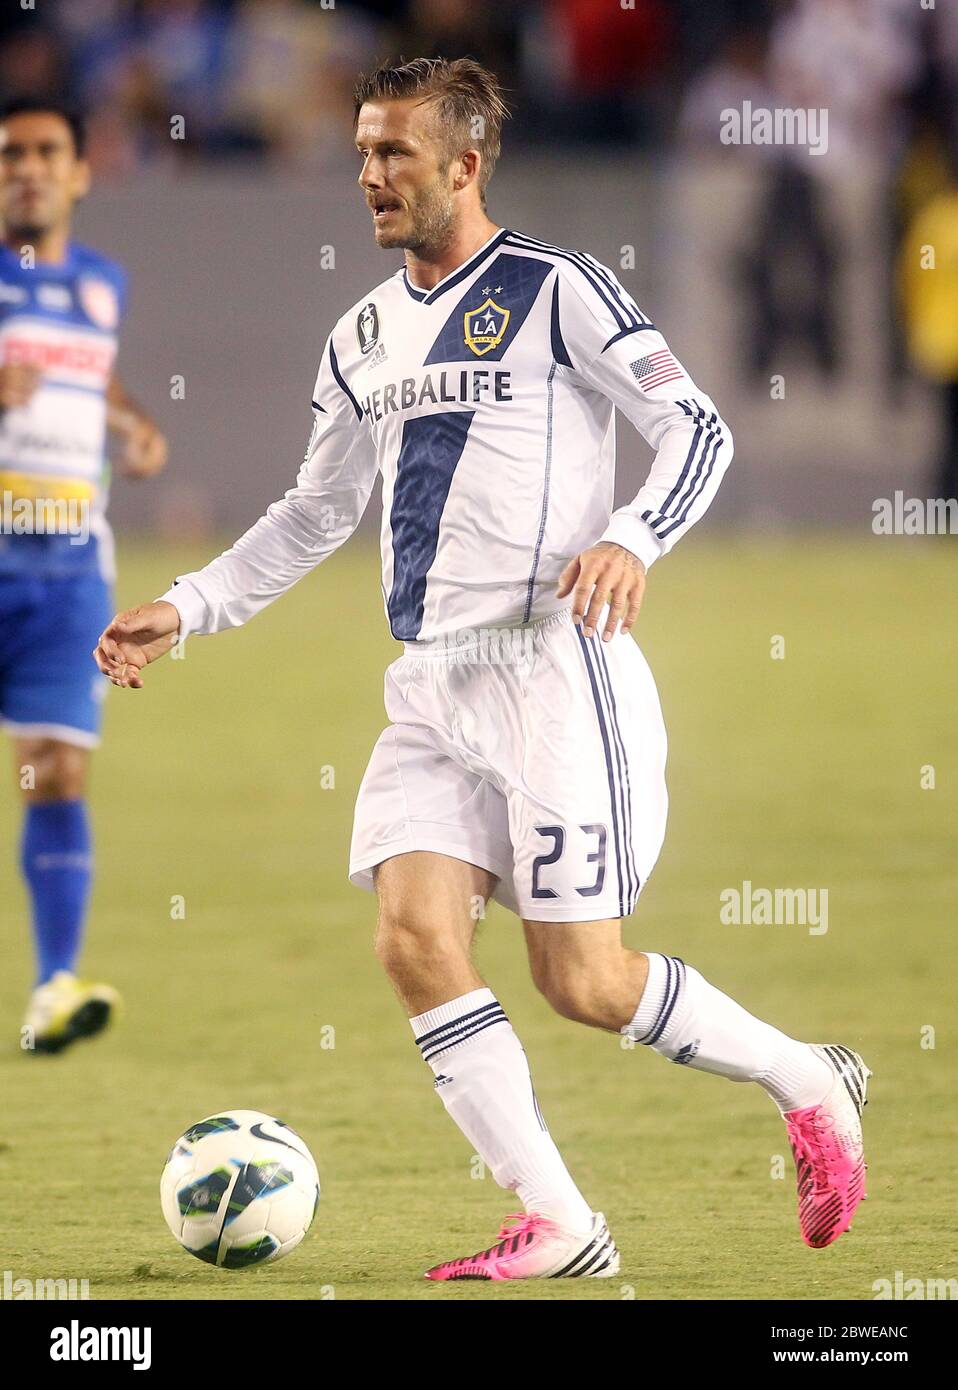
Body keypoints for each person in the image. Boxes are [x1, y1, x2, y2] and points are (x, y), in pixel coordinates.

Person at [94, 58, 869, 1280]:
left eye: (394, 154)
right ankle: (560, 1220)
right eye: (360, 151)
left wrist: (631, 534)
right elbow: (313, 512)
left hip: (558, 670)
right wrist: (186, 606)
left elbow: (695, 425)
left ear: (465, 163)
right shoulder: (359, 334)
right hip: (431, 683)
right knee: (412, 937)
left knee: (586, 982)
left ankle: (805, 1076)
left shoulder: (557, 290)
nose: (368, 175)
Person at [0, 99, 167, 1054]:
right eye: (11, 154)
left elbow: (91, 376)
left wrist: (133, 425)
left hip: (64, 572)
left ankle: (56, 986)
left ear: (78, 173)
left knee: (58, 770)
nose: (27, 168)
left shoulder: (101, 285)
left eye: (45, 153)